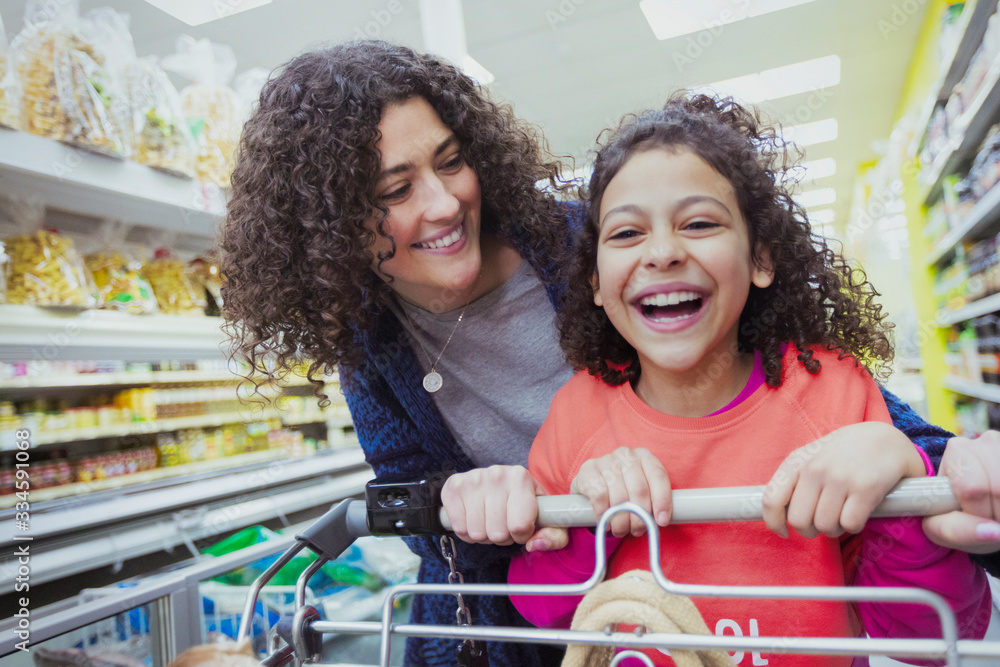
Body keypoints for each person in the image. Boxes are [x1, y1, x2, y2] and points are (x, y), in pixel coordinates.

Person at [219, 40, 993, 666]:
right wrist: (475, 502)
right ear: (328, 222)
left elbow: (821, 399)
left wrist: (933, 460)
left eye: (450, 160)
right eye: (394, 190)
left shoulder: (599, 241)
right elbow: (422, 505)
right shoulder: (368, 338)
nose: (445, 201)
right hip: (549, 613)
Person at [495, 94, 990, 665]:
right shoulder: (575, 412)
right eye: (626, 234)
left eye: (700, 223)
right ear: (597, 284)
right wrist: (590, 524)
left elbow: (929, 636)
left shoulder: (833, 392)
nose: (662, 252)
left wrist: (905, 477)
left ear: (760, 259)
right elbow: (543, 610)